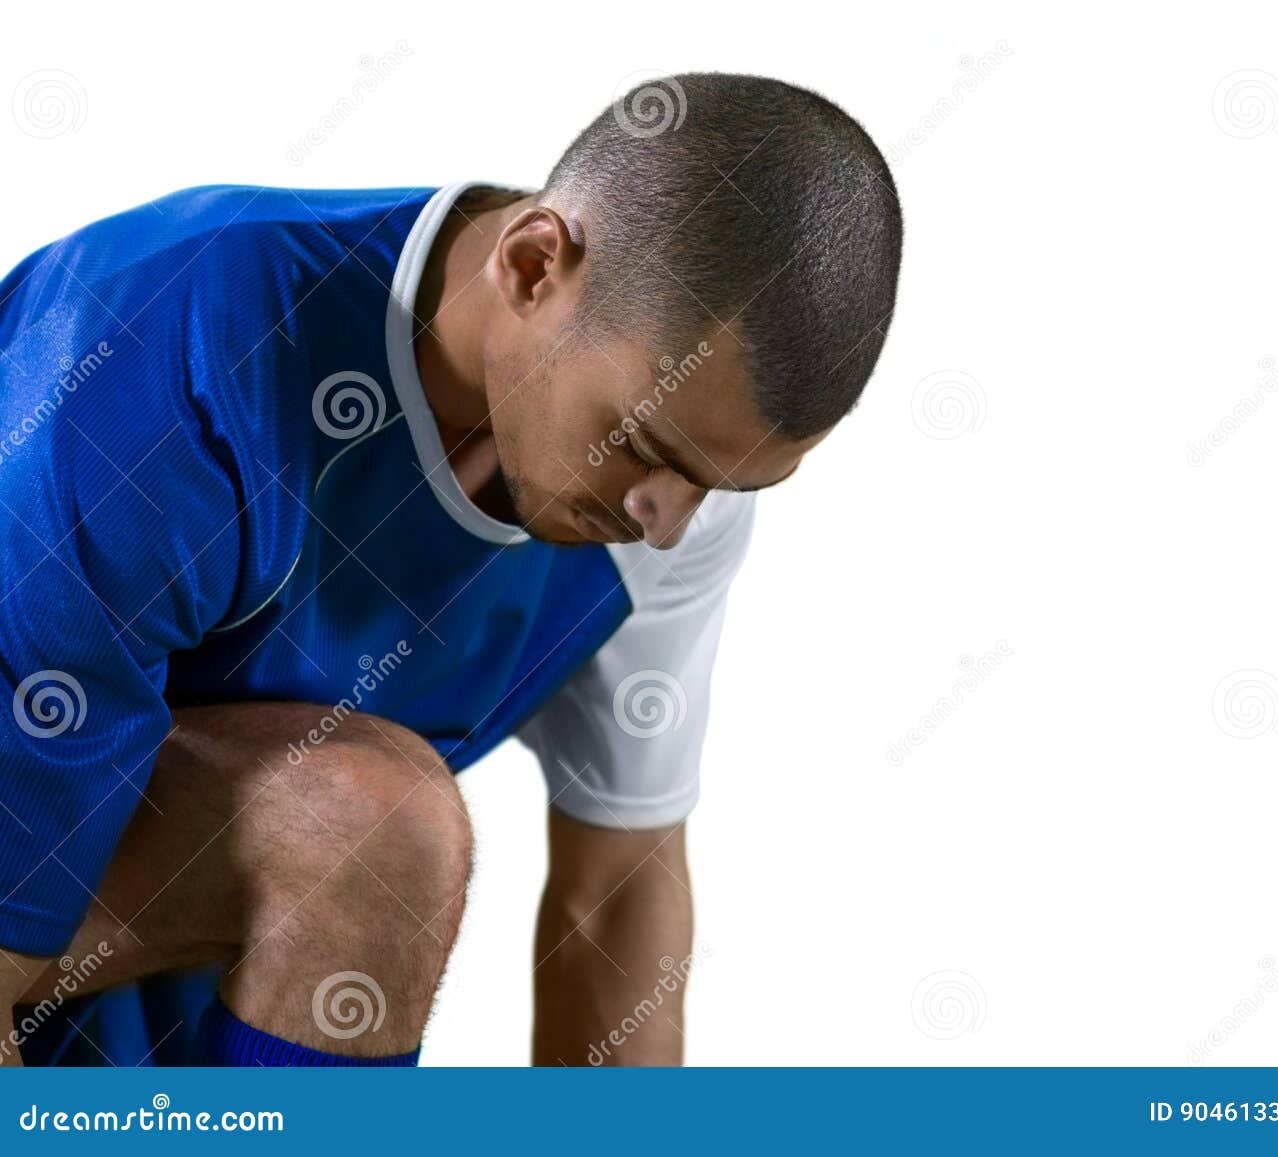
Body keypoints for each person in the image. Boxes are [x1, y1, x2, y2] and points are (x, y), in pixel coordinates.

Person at [0, 72, 902, 1066]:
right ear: (531, 266)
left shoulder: (673, 500)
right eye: (647, 445)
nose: (666, 521)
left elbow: (613, 895)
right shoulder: (179, 341)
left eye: (723, 483)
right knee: (364, 819)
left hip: (110, 920)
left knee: (366, 837)